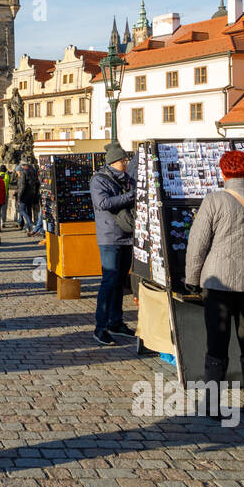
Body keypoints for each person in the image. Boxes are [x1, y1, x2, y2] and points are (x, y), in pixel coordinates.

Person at [183, 150, 244, 423]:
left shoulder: (214, 201)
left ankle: (213, 403)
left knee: (217, 341)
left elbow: (198, 244)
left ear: (223, 173)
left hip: (219, 281)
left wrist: (192, 278)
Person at [90, 142, 136, 343]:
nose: (125, 164)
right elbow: (103, 203)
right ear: (113, 162)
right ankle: (100, 327)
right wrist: (130, 197)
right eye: (122, 161)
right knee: (109, 281)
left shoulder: (127, 179)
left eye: (125, 160)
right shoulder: (99, 180)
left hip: (127, 235)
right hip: (110, 237)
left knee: (120, 282)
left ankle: (116, 322)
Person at [17, 158, 42, 237]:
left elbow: (22, 186)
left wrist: (19, 197)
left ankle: (31, 224)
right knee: (28, 210)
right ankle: (29, 228)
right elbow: (37, 183)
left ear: (24, 165)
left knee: (21, 210)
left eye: (21, 165)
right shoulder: (33, 171)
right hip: (32, 193)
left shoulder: (24, 173)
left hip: (25, 195)